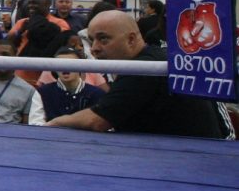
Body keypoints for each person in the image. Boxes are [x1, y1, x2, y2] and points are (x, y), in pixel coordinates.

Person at [46, 10, 233, 138]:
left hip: (185, 163)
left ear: (131, 39)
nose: (94, 48)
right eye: (92, 40)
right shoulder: (153, 59)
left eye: (103, 39)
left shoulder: (144, 68)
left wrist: (55, 122)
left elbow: (97, 121)